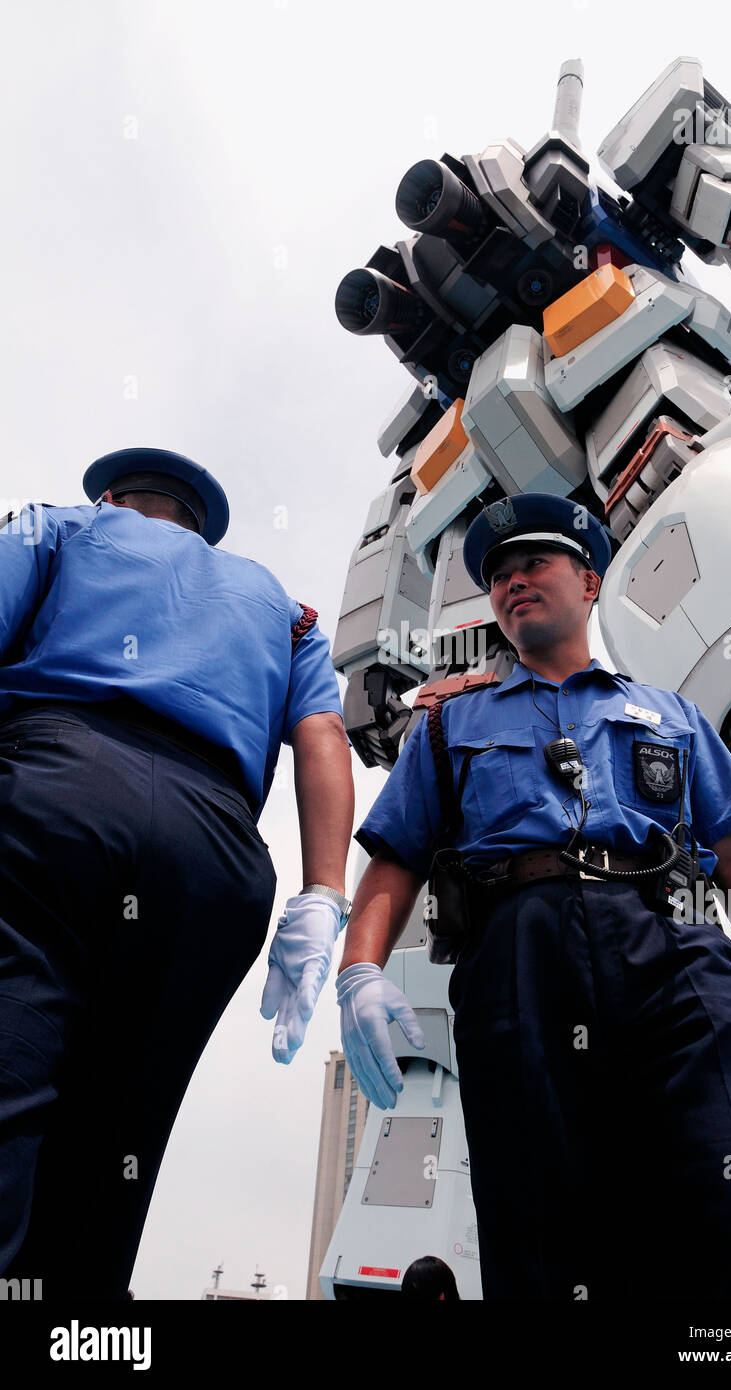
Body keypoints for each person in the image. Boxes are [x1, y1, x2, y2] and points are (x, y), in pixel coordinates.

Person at [336, 491, 731, 1301]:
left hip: (671, 952)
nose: (512, 582)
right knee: (543, 1237)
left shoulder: (672, 715)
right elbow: (394, 860)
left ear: (589, 581)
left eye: (533, 562)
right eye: (498, 575)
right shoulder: (446, 727)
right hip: (516, 964)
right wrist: (357, 972)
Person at [0, 447, 353, 1298]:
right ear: (200, 526)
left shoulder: (59, 527)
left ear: (117, 498)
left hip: (59, 793)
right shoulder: (282, 608)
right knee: (115, 1147)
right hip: (214, 857)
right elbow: (323, 740)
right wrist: (323, 897)